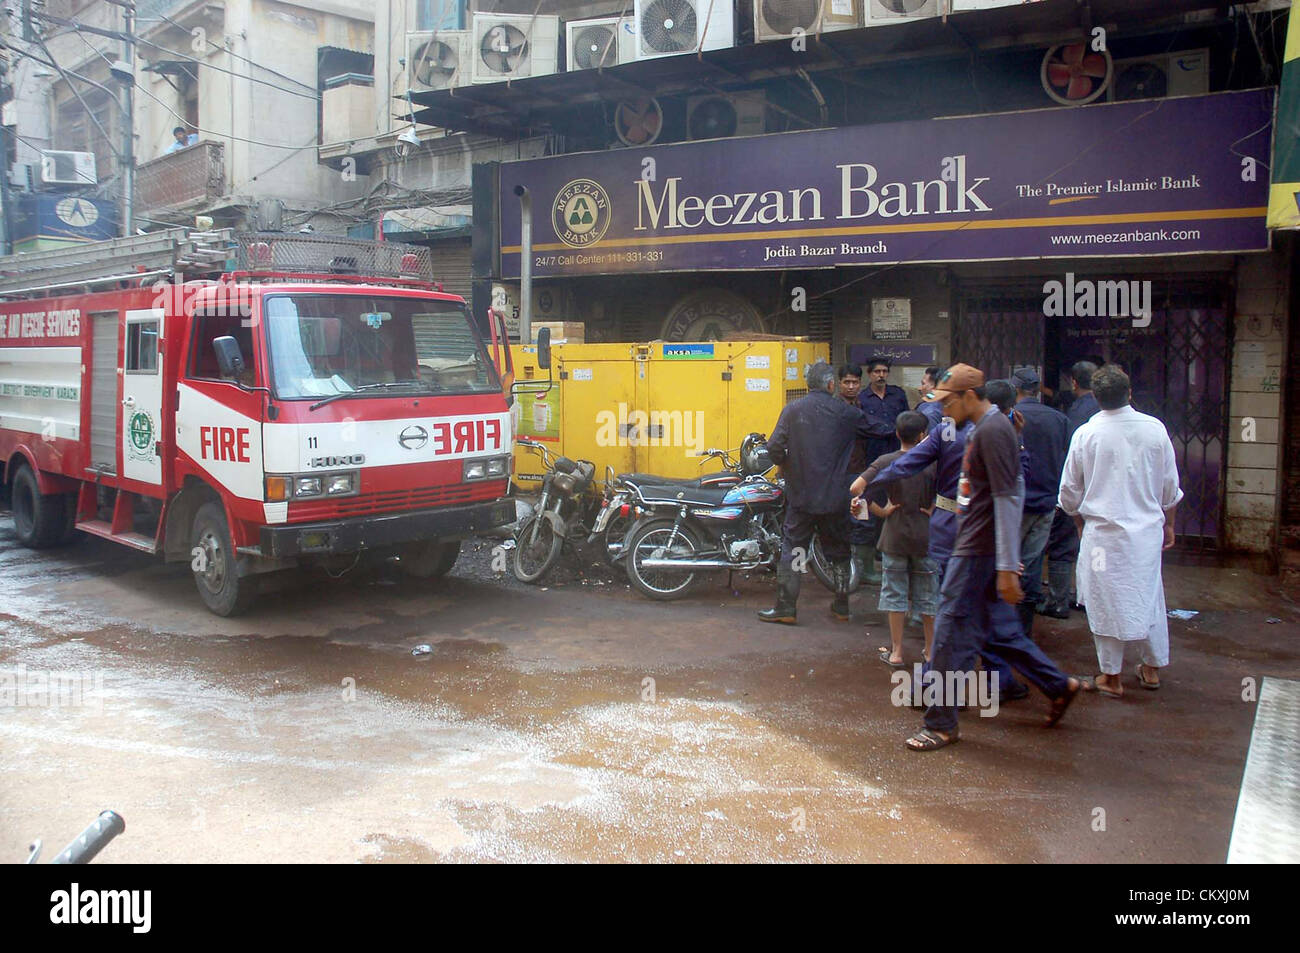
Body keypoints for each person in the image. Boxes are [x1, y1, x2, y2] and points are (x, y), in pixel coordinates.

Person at [901, 364, 1082, 752]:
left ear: (969, 396)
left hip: (976, 552)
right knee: (998, 633)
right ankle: (1058, 684)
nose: (943, 410)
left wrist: (1006, 567)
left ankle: (942, 724)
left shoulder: (994, 431)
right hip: (976, 548)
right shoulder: (987, 428)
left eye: (948, 402)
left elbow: (1008, 497)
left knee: (949, 637)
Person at [1058, 365, 1182, 697]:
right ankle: (1151, 668)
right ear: (1130, 393)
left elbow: (1069, 492)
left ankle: (1111, 677)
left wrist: (1079, 524)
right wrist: (1169, 524)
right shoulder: (1155, 429)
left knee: (1104, 600)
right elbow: (1170, 487)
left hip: (1101, 535)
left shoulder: (1086, 433)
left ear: (1095, 397)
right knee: (1149, 594)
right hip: (1145, 534)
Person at [761, 362, 892, 625]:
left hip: (801, 497)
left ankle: (786, 607)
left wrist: (786, 464)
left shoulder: (793, 410)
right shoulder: (845, 412)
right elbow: (882, 429)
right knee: (839, 551)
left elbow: (774, 447)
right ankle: (841, 606)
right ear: (832, 384)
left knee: (795, 549)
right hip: (835, 497)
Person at [852, 411, 936, 667]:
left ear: (898, 434)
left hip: (894, 536)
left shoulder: (886, 460)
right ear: (924, 435)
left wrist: (880, 511)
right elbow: (954, 493)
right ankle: (931, 651)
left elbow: (856, 489)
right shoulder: (935, 462)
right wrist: (934, 509)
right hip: (927, 537)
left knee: (894, 594)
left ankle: (897, 652)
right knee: (930, 596)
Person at [1010, 366, 1069, 637]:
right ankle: (1025, 627)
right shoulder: (1059, 419)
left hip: (1014, 503)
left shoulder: (1008, 418)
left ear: (1016, 388)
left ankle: (1003, 627)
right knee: (1032, 562)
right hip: (1046, 502)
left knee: (1007, 560)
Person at [1041, 360, 1101, 618]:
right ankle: (1090, 598)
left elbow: (1071, 458)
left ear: (1074, 382)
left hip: (1079, 488)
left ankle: (1058, 600)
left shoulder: (1076, 414)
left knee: (1063, 544)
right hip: (1101, 488)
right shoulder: (1105, 407)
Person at [855, 356, 909, 583]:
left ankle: (886, 548)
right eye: (877, 371)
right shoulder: (861, 399)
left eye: (885, 371)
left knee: (894, 502)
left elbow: (906, 421)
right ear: (869, 374)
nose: (881, 375)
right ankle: (867, 560)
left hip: (897, 458)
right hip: (872, 459)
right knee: (870, 505)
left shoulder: (898, 394)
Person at [837, 363, 880, 587]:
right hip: (845, 473)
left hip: (862, 469)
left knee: (864, 519)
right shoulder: (837, 408)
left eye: (855, 382)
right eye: (847, 382)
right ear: (839, 384)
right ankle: (853, 571)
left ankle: (864, 569)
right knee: (853, 519)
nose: (851, 386)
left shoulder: (862, 405)